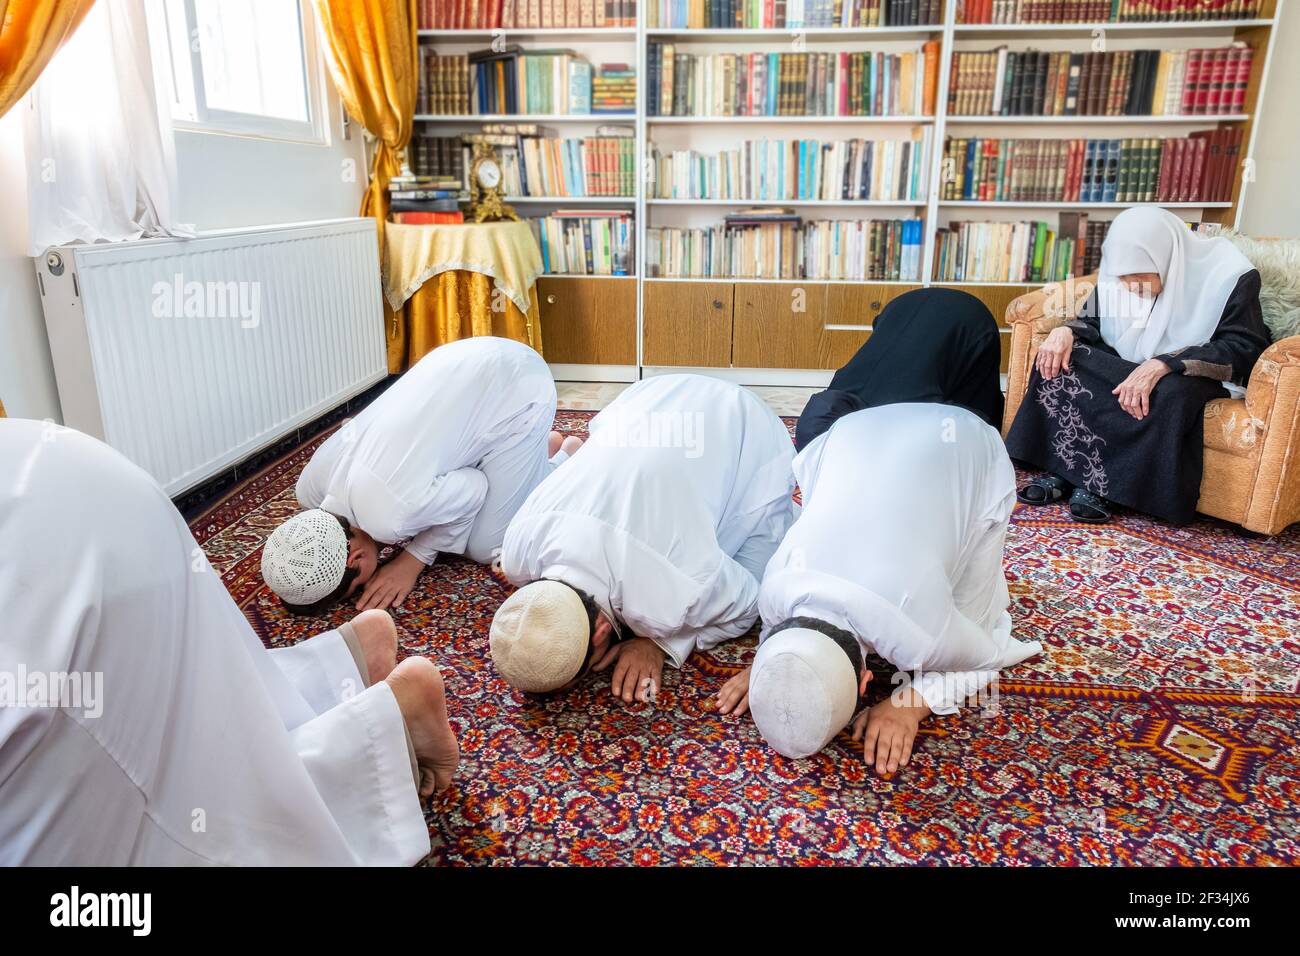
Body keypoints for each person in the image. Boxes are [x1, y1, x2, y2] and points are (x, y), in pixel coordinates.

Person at [0, 419, 458, 865]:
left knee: (165, 818)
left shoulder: (360, 495)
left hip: (45, 564)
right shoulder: (341, 487)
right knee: (200, 691)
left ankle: (371, 728)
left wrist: (413, 559)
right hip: (70, 479)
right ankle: (340, 667)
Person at [716, 404, 1042, 775]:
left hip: (967, 442)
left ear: (866, 682)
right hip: (849, 431)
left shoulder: (920, 634)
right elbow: (779, 635)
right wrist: (773, 667)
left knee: (977, 613)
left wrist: (911, 704)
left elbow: (985, 657)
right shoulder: (776, 588)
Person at [489, 374, 797, 704]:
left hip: (749, 425)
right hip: (651, 394)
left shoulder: (671, 589)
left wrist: (658, 642)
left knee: (761, 571)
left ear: (601, 633)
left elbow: (747, 605)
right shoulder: (517, 548)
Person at [262, 336, 582, 614]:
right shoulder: (309, 487)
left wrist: (413, 559)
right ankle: (533, 457)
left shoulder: (391, 518)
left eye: (359, 586)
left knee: (487, 545)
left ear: (356, 559)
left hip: (520, 384)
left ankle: (564, 458)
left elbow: (475, 487)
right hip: (463, 357)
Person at [1005, 207, 1270, 525]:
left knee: (1170, 394)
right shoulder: (1120, 272)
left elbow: (1243, 347)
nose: (1131, 286)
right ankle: (1068, 470)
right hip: (1128, 361)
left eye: (1140, 276)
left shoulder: (1230, 276)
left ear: (1166, 258)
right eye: (1124, 278)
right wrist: (1065, 331)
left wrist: (1164, 363)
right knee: (1062, 358)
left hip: (1190, 370)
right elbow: (1092, 320)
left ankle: (1100, 485)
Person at [794, 287, 1004, 451]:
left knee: (973, 428)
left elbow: (967, 426)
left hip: (970, 320)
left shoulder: (915, 410)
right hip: (903, 307)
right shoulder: (839, 389)